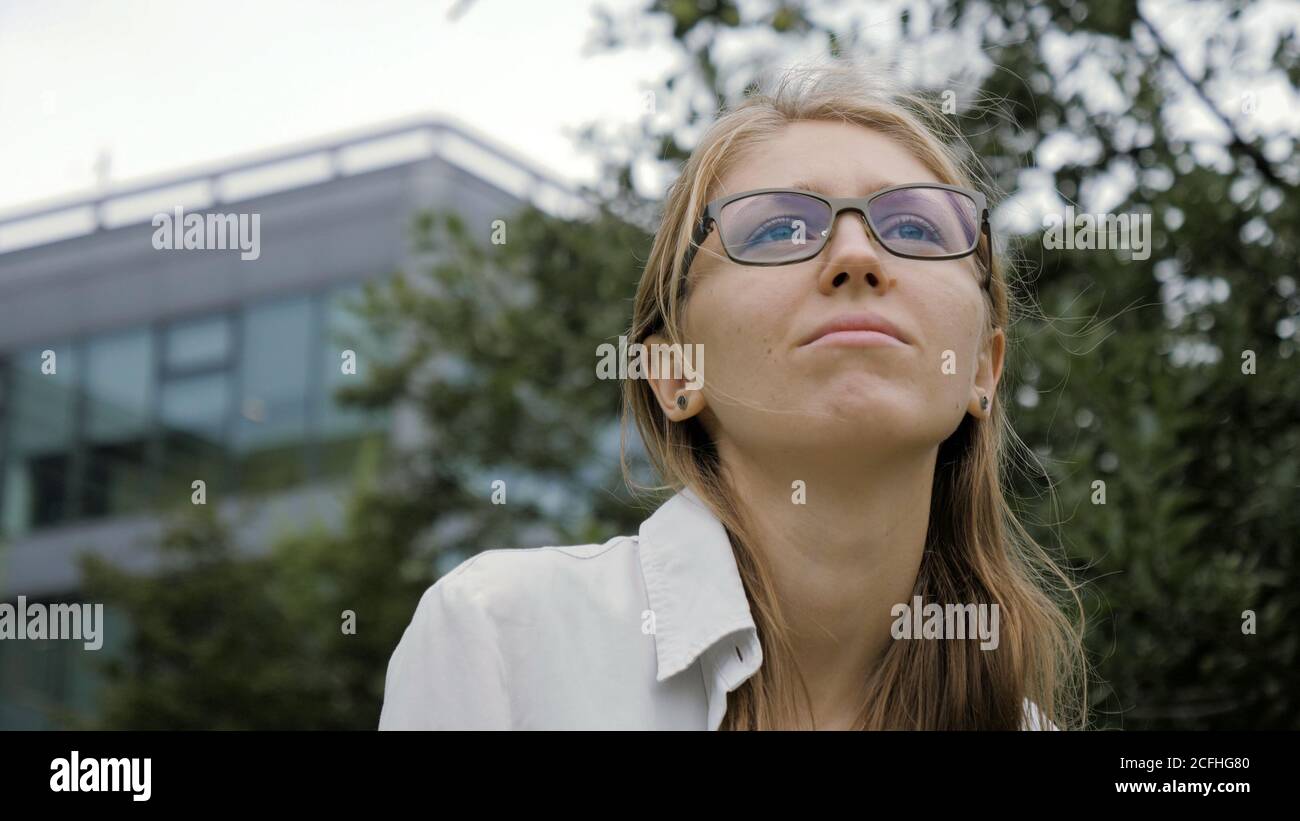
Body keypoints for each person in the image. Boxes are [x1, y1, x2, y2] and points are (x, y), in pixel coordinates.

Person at [379, 58, 1085, 730]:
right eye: (778, 228)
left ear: (982, 370)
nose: (857, 257)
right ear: (675, 372)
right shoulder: (504, 639)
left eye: (914, 227)